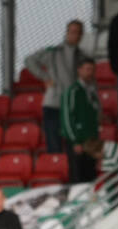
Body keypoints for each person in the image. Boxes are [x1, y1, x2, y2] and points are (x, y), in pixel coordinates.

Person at [24, 19, 83, 153]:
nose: (75, 35)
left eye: (78, 33)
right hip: (54, 104)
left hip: (73, 105)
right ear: (67, 33)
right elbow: (29, 60)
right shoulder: (53, 52)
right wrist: (45, 77)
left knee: (72, 148)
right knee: (54, 144)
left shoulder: (83, 56)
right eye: (73, 32)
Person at [61, 56, 102, 183]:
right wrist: (75, 141)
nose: (90, 72)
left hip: (92, 141)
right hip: (79, 140)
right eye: (87, 69)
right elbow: (67, 117)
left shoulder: (92, 90)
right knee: (78, 175)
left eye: (92, 69)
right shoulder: (73, 91)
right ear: (79, 70)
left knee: (91, 175)